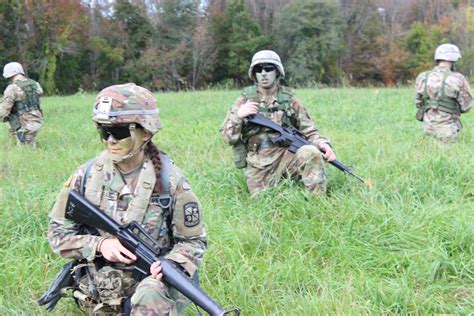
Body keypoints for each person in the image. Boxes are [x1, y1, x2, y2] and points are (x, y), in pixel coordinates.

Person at [47, 83, 207, 314]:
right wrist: (101, 244)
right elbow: (58, 235)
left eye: (120, 132)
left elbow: (193, 242)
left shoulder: (170, 181)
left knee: (149, 293)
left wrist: (169, 265)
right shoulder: (86, 175)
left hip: (153, 285)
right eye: (103, 131)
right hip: (100, 284)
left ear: (146, 132)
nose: (110, 139)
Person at [220, 50, 336, 196]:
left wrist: (323, 144)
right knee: (262, 203)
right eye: (258, 69)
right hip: (260, 165)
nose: (263, 73)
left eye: (268, 68)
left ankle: (318, 204)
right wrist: (238, 116)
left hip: (288, 158)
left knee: (312, 152)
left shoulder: (289, 100)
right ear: (253, 74)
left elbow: (309, 131)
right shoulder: (244, 101)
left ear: (277, 72)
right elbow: (227, 138)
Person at [415, 43, 472, 143]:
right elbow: (466, 107)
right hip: (448, 131)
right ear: (453, 60)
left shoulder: (423, 77)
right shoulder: (457, 79)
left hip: (428, 130)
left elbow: (418, 102)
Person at [0, 61, 44, 148]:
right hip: (37, 120)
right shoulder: (35, 84)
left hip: (23, 124)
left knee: (24, 148)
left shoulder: (12, 88)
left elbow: (3, 111)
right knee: (25, 143)